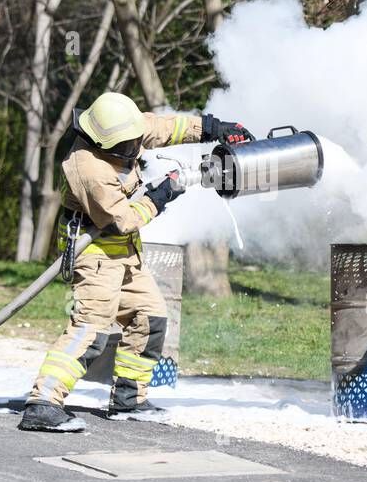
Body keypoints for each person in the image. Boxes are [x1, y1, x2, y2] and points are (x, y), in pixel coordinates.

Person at [19, 92, 253, 432]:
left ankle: (129, 400)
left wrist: (215, 128)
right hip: (95, 255)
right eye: (126, 146)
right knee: (91, 330)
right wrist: (160, 196)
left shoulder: (124, 130)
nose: (135, 148)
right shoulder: (87, 168)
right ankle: (43, 403)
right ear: (102, 142)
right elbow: (120, 220)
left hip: (125, 252)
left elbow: (166, 127)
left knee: (150, 318)